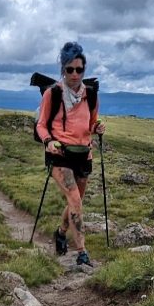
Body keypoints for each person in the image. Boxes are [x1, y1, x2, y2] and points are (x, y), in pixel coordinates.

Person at [36, 42, 105, 266]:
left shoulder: (91, 95)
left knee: (76, 201)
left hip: (84, 154)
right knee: (75, 199)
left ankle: (60, 232)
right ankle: (82, 252)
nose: (75, 74)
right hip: (60, 154)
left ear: (84, 70)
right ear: (63, 69)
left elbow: (91, 123)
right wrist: (48, 141)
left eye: (79, 69)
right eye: (69, 69)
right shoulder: (52, 94)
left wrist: (97, 128)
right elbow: (41, 125)